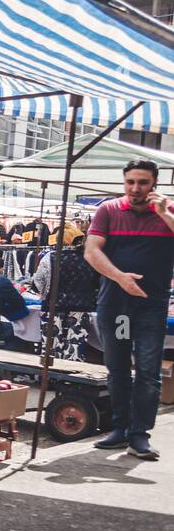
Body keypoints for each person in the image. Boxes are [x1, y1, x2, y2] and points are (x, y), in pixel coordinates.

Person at [85, 160, 174, 459]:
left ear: (154, 184)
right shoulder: (108, 210)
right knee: (120, 367)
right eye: (131, 182)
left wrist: (164, 214)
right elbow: (92, 251)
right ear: (124, 183)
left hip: (151, 308)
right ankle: (120, 428)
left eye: (143, 183)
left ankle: (140, 434)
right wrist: (120, 277)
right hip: (120, 308)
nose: (136, 189)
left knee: (149, 372)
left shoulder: (168, 212)